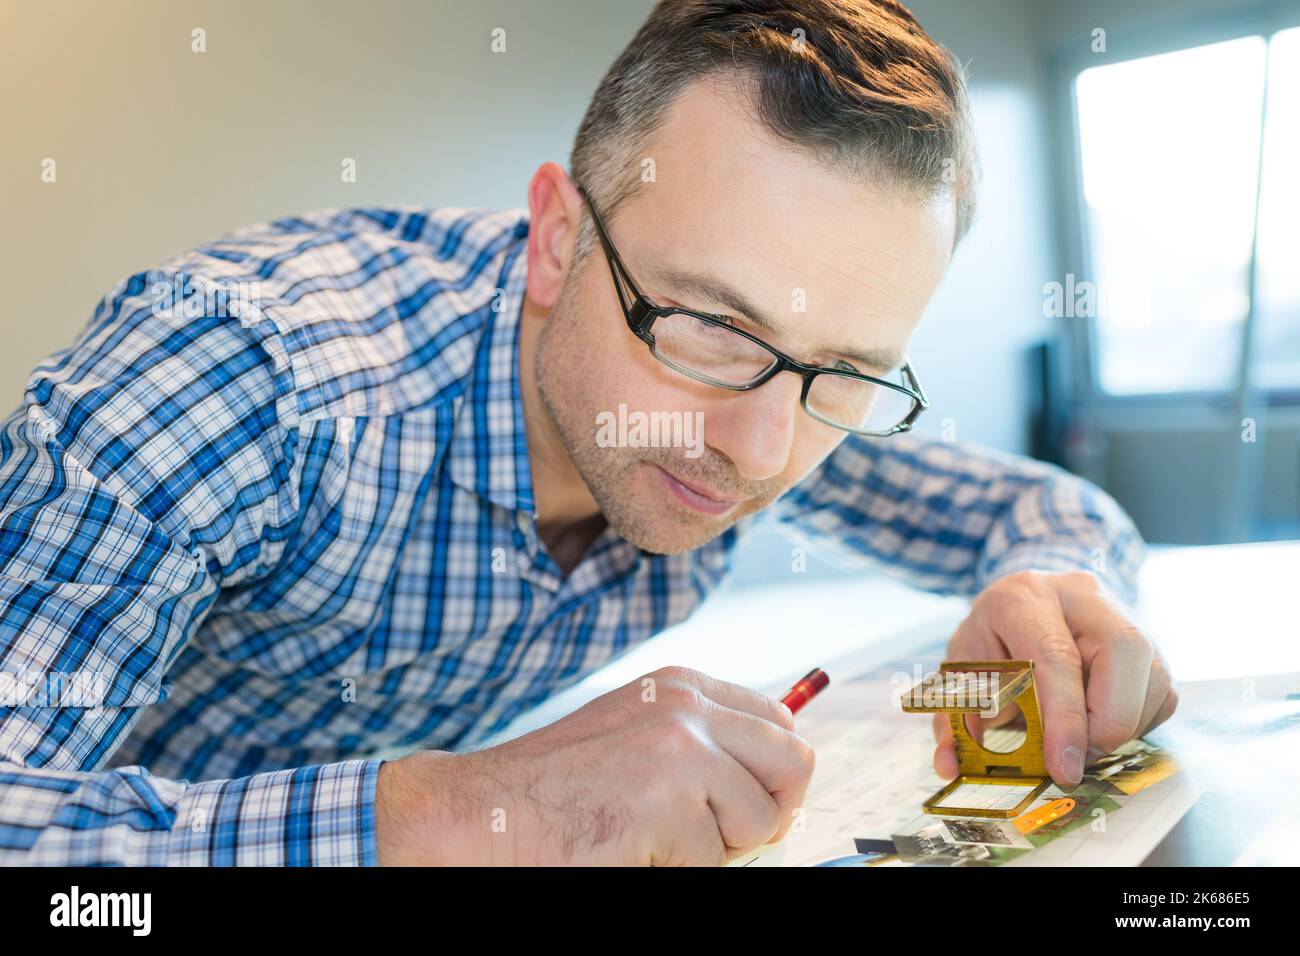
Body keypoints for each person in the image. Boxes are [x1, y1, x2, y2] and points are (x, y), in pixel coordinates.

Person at [0, 0, 1175, 866]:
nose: (763, 454)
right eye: (714, 326)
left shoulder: (776, 391)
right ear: (557, 239)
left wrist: (1057, 590)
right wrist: (450, 810)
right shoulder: (238, 379)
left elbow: (1037, 512)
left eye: (853, 371)